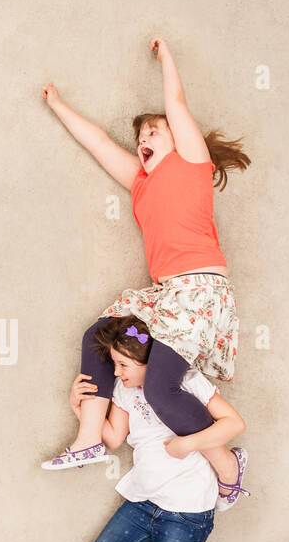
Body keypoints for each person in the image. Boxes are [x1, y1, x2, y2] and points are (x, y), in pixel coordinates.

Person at [39, 36, 251, 509]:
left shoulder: (192, 165)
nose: (144, 139)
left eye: (155, 132)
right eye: (141, 137)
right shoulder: (140, 183)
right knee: (100, 333)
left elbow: (175, 103)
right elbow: (97, 143)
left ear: (179, 139)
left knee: (159, 386)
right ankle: (89, 436)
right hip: (165, 296)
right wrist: (58, 105)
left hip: (199, 293)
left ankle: (226, 464)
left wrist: (168, 59)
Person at [14, 317, 251, 542]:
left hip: (186, 515)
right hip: (143, 503)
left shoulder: (185, 382)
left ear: (148, 363)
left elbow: (234, 423)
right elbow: (111, 438)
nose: (118, 373)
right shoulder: (125, 393)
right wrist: (78, 408)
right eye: (114, 365)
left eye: (124, 365)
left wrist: (188, 444)